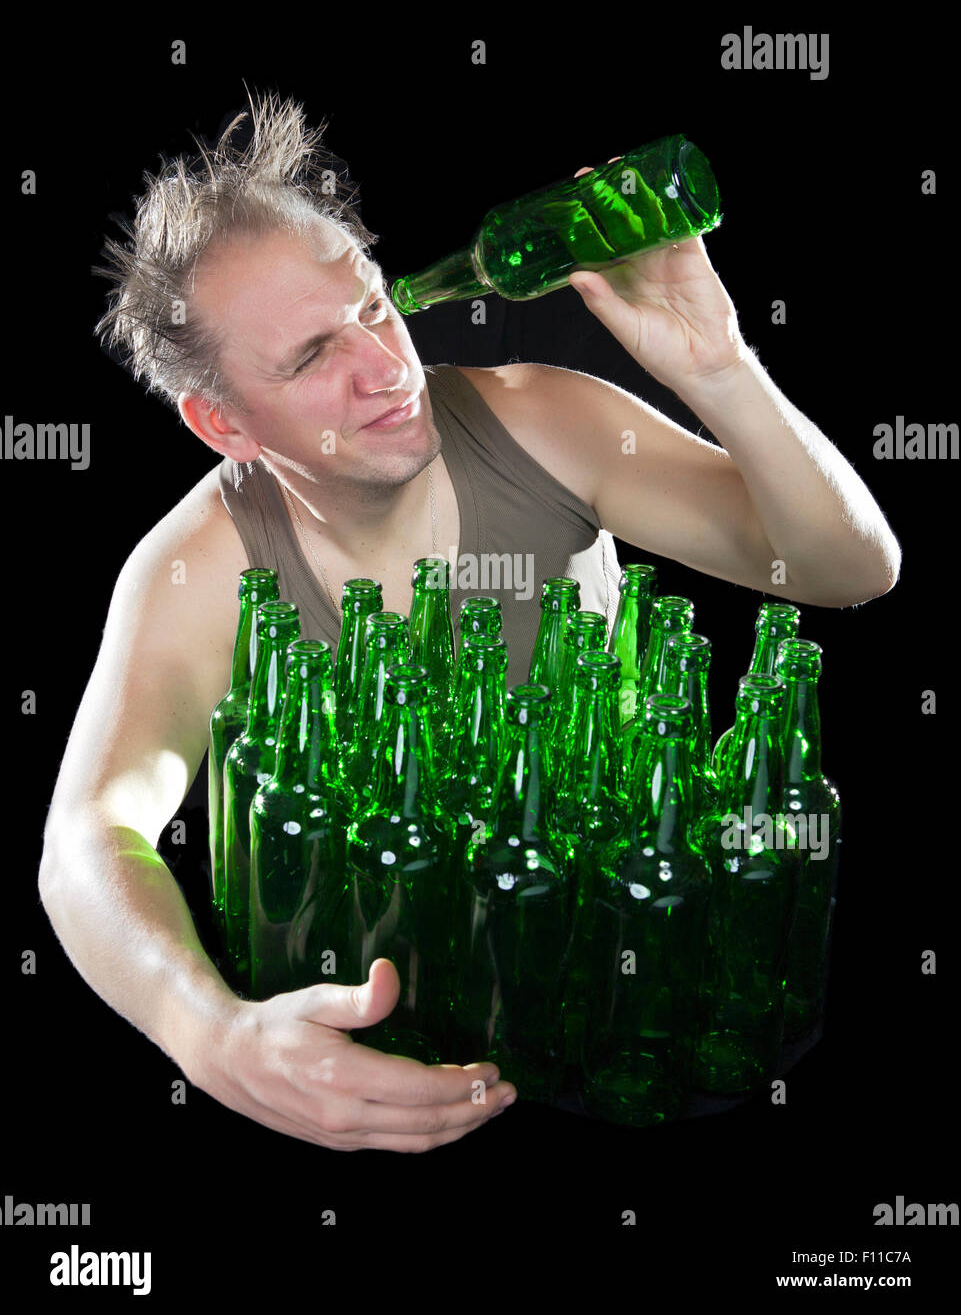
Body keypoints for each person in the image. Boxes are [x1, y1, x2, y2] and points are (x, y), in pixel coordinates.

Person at [38, 91, 899, 1153]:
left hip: (608, 1021)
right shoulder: (197, 566)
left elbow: (848, 569)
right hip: (393, 1053)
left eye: (368, 305)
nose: (384, 366)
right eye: (310, 359)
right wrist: (206, 1031)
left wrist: (718, 367)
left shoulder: (546, 415)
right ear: (223, 422)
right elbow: (87, 837)